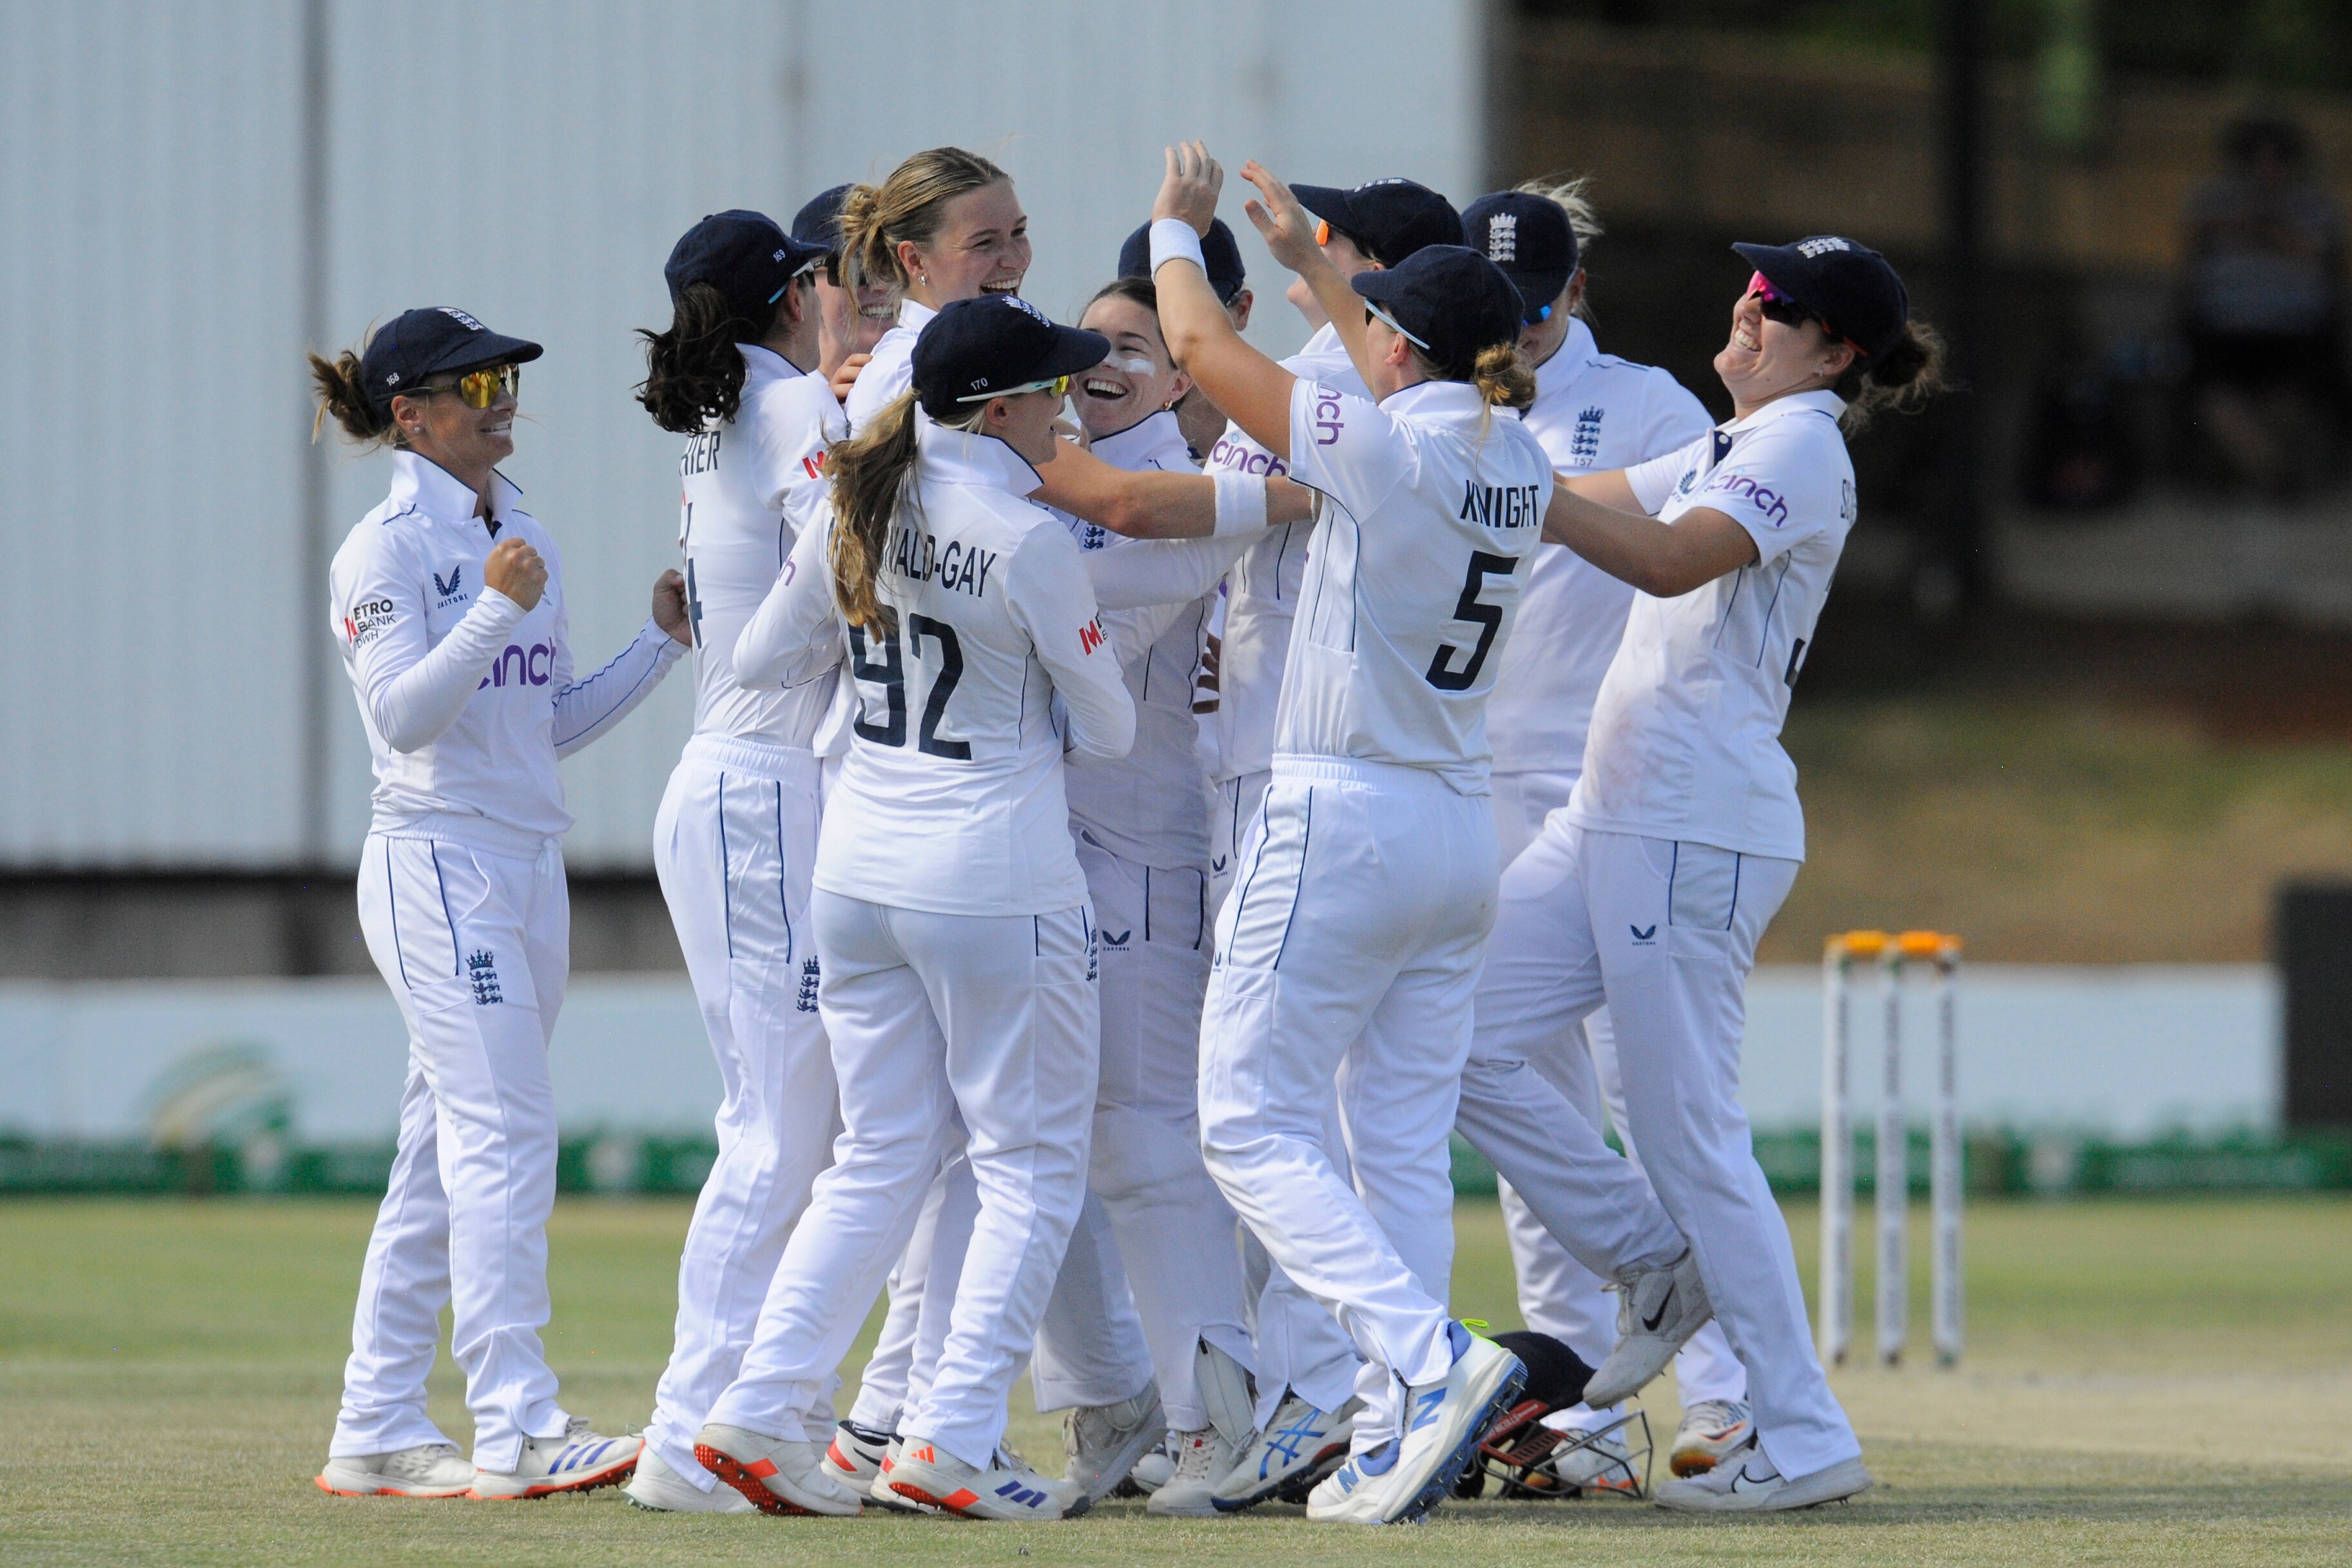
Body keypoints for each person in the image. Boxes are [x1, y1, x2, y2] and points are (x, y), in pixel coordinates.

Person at [1145, 142, 1545, 1527]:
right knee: (1398, 1141)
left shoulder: (1375, 448)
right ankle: (1392, 1435)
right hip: (1454, 828)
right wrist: (1322, 266)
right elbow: (1393, 351)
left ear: (1399, 348)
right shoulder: (1523, 452)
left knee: (1244, 1119)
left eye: (1370, 327)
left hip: (1343, 814)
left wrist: (1173, 229)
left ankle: (1426, 1365)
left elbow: (1195, 336)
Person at [1513, 235, 1945, 1512]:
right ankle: (1652, 1267)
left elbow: (1656, 555)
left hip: (1695, 821)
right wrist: (1434, 450)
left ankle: (1803, 1435)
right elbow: (1582, 486)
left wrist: (1486, 475)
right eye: (1753, 292)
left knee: (1688, 1134)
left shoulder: (1803, 444)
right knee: (1448, 1028)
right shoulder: (1729, 433)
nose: (1750, 314)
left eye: (1784, 309)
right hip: (1614, 811)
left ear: (1836, 352)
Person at [696, 294, 1134, 1522]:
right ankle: (946, 1439)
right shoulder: (1024, 534)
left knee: (877, 1155)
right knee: (1031, 1165)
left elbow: (754, 660)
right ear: (995, 409)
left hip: (859, 869)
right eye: (1048, 389)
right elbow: (1109, 728)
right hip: (993, 878)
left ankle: (754, 1407)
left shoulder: (857, 493)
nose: (1066, 405)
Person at [309, 307, 688, 1501]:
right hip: (434, 861)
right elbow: (405, 719)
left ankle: (373, 1422)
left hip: (526, 860)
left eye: (506, 375)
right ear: (409, 413)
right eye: (473, 382)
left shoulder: (520, 529)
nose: (500, 396)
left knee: (443, 1147)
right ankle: (517, 1420)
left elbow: (546, 720)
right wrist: (491, 607)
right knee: (508, 1129)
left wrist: (659, 645)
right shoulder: (383, 549)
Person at [1453, 182, 1753, 1489]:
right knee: (1527, 1092)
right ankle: (1569, 1404)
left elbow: (1705, 580)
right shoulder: (1431, 386)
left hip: (1612, 785)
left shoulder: (1650, 404)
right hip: (1471, 784)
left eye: (1536, 307)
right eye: (1494, 307)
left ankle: (1734, 1399)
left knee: (1661, 1091)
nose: (1512, 335)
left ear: (1575, 292)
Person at [814, 148, 1036, 1491]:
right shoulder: (914, 382)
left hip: (887, 802)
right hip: (941, 798)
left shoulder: (909, 373)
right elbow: (1073, 526)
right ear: (909, 262)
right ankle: (908, 1416)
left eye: (1021, 234)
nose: (1010, 258)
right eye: (984, 241)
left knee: (912, 1146)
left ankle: (872, 1408)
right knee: (958, 1149)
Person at [621, 212, 846, 1514]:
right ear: (796, 294)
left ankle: (754, 1416)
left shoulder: (733, 409)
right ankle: (690, 1428)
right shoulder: (788, 405)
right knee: (780, 1128)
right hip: (761, 783)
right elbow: (833, 564)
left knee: (788, 1124)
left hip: (733, 781)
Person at [1025, 276, 1262, 1516]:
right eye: (1088, 345)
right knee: (1013, 1139)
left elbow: (1088, 627)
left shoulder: (1171, 487)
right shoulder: (1051, 474)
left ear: (1179, 378)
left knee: (1145, 1144)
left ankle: (1217, 1419)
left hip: (1147, 856)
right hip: (1040, 850)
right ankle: (1109, 1397)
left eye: (1133, 345)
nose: (1101, 361)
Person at [2179, 111, 2348, 498]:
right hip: (2223, 326)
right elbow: (2201, 238)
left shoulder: (2316, 206)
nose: (2266, 168)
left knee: (2292, 391)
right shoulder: (2213, 198)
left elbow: (2321, 254)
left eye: (2276, 158)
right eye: (2257, 158)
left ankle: (2256, 466)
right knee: (2212, 392)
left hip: (2295, 329)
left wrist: (2269, 230)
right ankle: (2273, 470)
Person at [838, 146, 1032, 431]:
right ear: (915, 260)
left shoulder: (983, 354)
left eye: (1019, 233)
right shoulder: (909, 374)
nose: (1016, 260)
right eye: (983, 243)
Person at [1116, 217, 1254, 457]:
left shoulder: (1288, 422)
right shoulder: (1091, 439)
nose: (1173, 328)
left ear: (1242, 310)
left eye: (1195, 312)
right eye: (1152, 312)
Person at [792, 183, 897, 385]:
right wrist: (824, 409)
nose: (881, 284)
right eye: (856, 268)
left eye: (893, 264)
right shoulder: (775, 402)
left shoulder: (934, 387)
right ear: (803, 284)